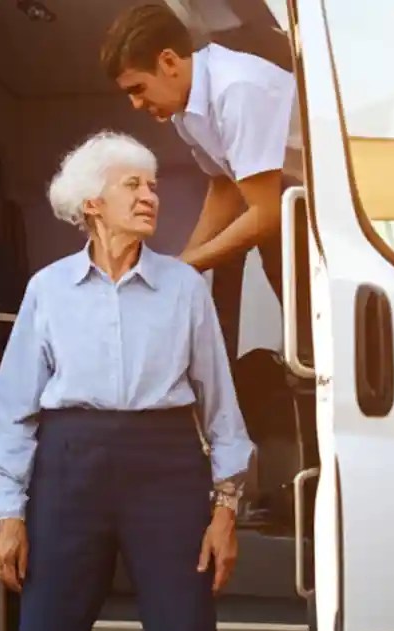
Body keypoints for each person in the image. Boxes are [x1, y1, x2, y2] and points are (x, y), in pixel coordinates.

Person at [0, 130, 254, 631]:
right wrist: (9, 515)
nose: (150, 196)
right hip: (70, 465)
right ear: (92, 203)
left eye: (153, 185)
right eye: (132, 184)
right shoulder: (48, 290)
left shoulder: (184, 288)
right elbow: (13, 412)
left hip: (167, 468)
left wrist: (226, 509)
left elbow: (222, 411)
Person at [99, 2, 305, 361]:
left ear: (168, 63)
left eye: (138, 88)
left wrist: (185, 266)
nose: (135, 104)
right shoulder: (185, 111)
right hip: (282, 199)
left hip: (319, 204)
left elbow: (266, 212)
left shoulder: (235, 89)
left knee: (308, 328)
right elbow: (224, 186)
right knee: (215, 265)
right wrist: (185, 261)